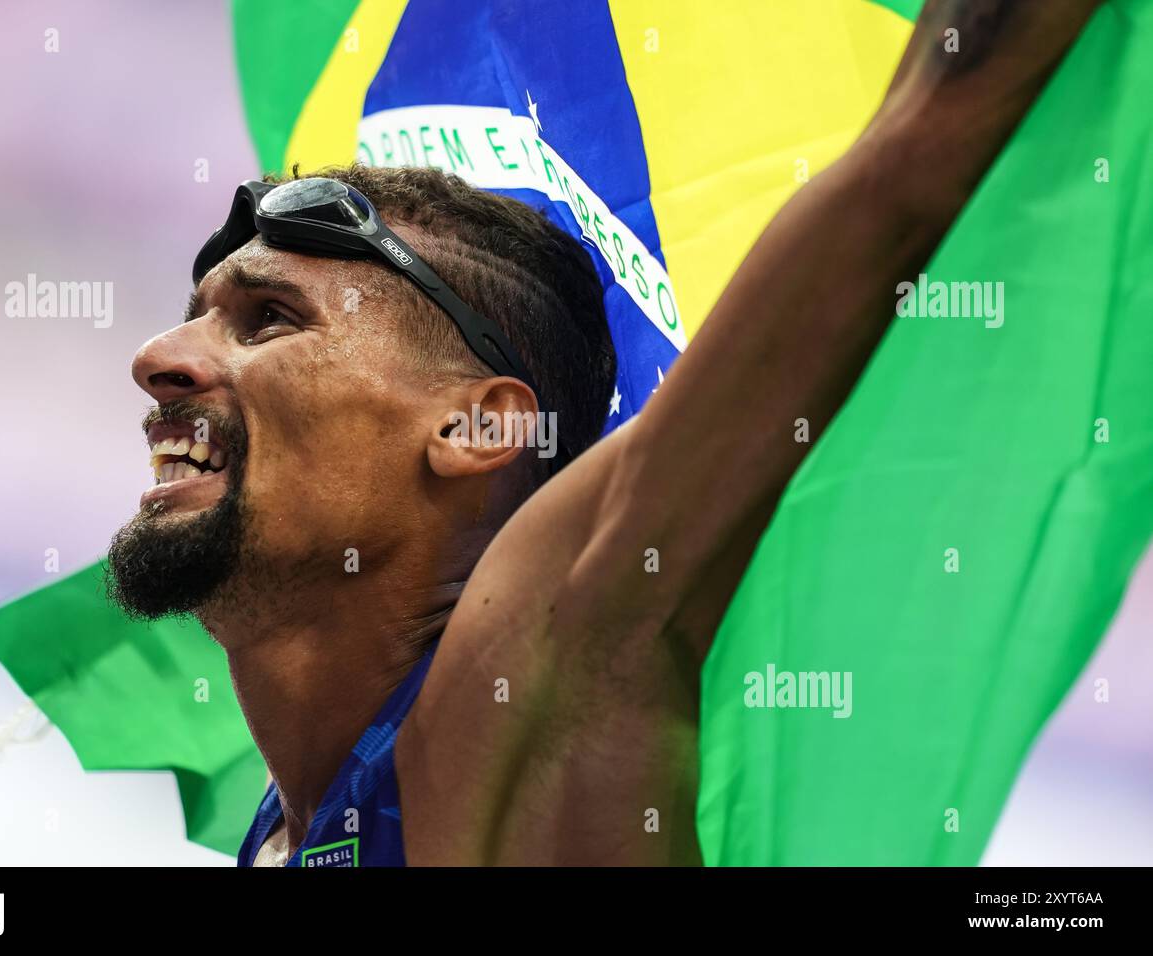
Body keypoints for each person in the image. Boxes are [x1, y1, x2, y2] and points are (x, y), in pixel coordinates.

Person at [107, 0, 1104, 865]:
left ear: (475, 424)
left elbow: (899, 178)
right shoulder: (289, 825)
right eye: (196, 312)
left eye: (270, 321)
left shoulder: (530, 678)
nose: (162, 355)